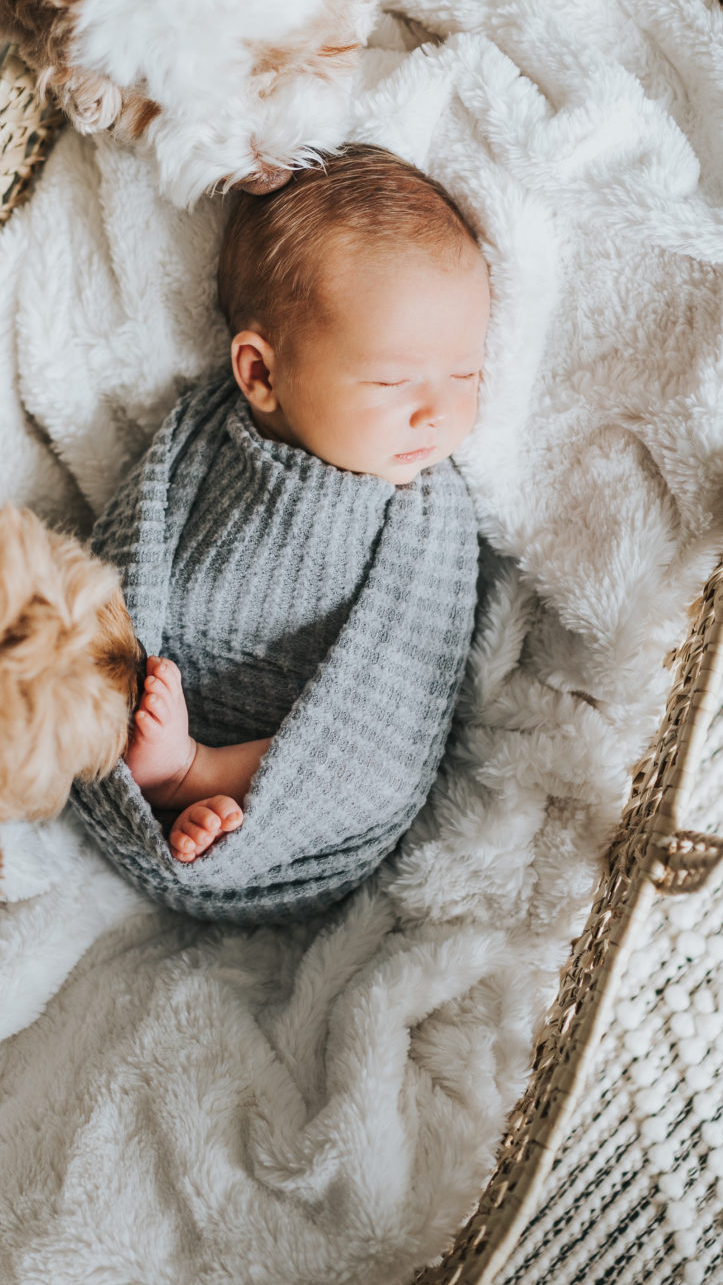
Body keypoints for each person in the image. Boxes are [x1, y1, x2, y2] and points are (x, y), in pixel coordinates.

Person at [72, 144, 488, 923]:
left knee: (374, 756)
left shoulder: (427, 510)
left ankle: (196, 778)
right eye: (394, 381)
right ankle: (160, 783)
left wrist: (198, 762)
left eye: (465, 374)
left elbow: (402, 681)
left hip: (302, 735)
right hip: (163, 682)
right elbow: (131, 541)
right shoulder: (204, 433)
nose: (438, 412)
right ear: (260, 375)